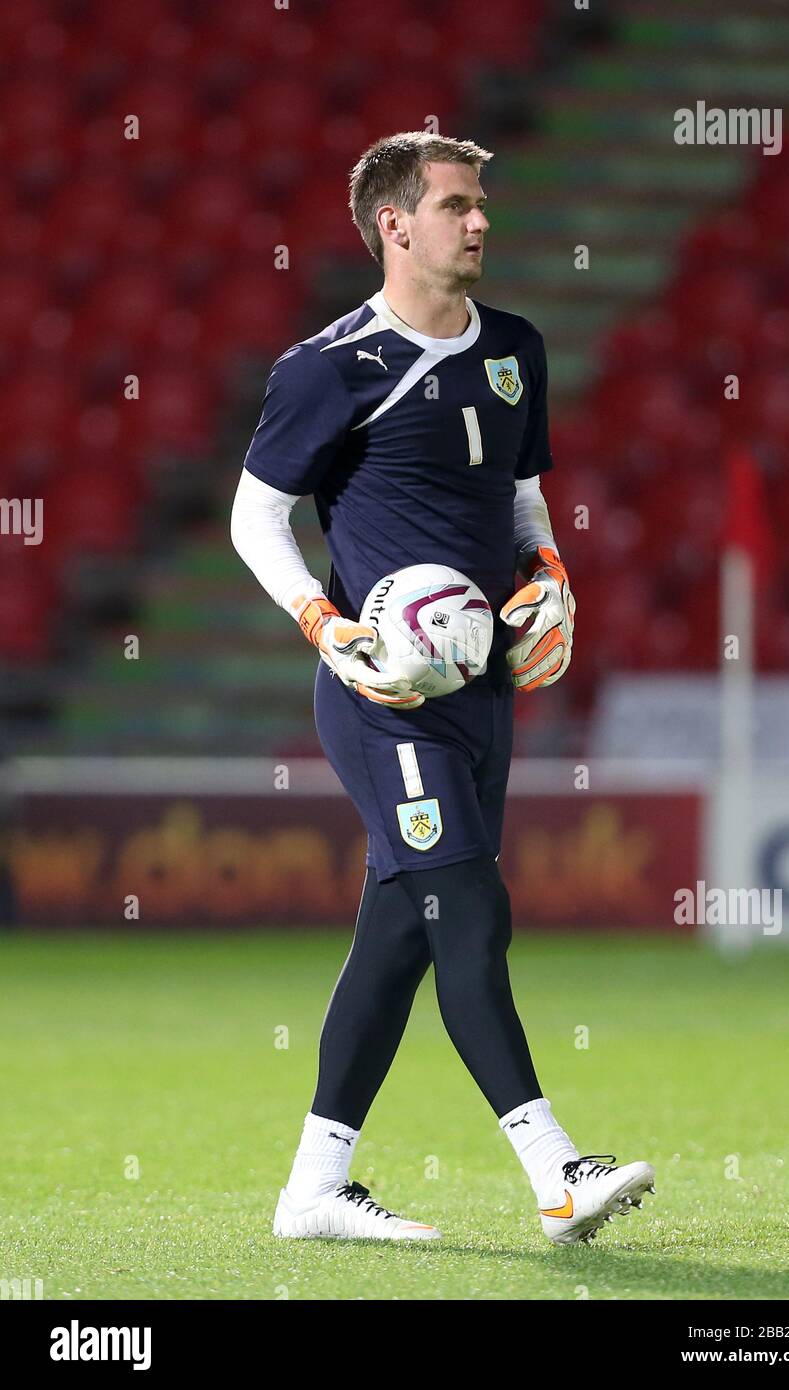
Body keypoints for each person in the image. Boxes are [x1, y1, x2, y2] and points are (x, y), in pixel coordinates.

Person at [231, 132, 654, 1244]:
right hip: (385, 696)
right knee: (468, 906)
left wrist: (551, 579)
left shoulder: (514, 347)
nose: (477, 222)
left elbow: (521, 502)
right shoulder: (328, 367)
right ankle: (555, 1168)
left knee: (402, 931)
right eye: (455, 204)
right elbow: (254, 514)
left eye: (481, 204)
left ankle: (314, 1188)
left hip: (480, 688)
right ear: (394, 225)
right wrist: (321, 622)